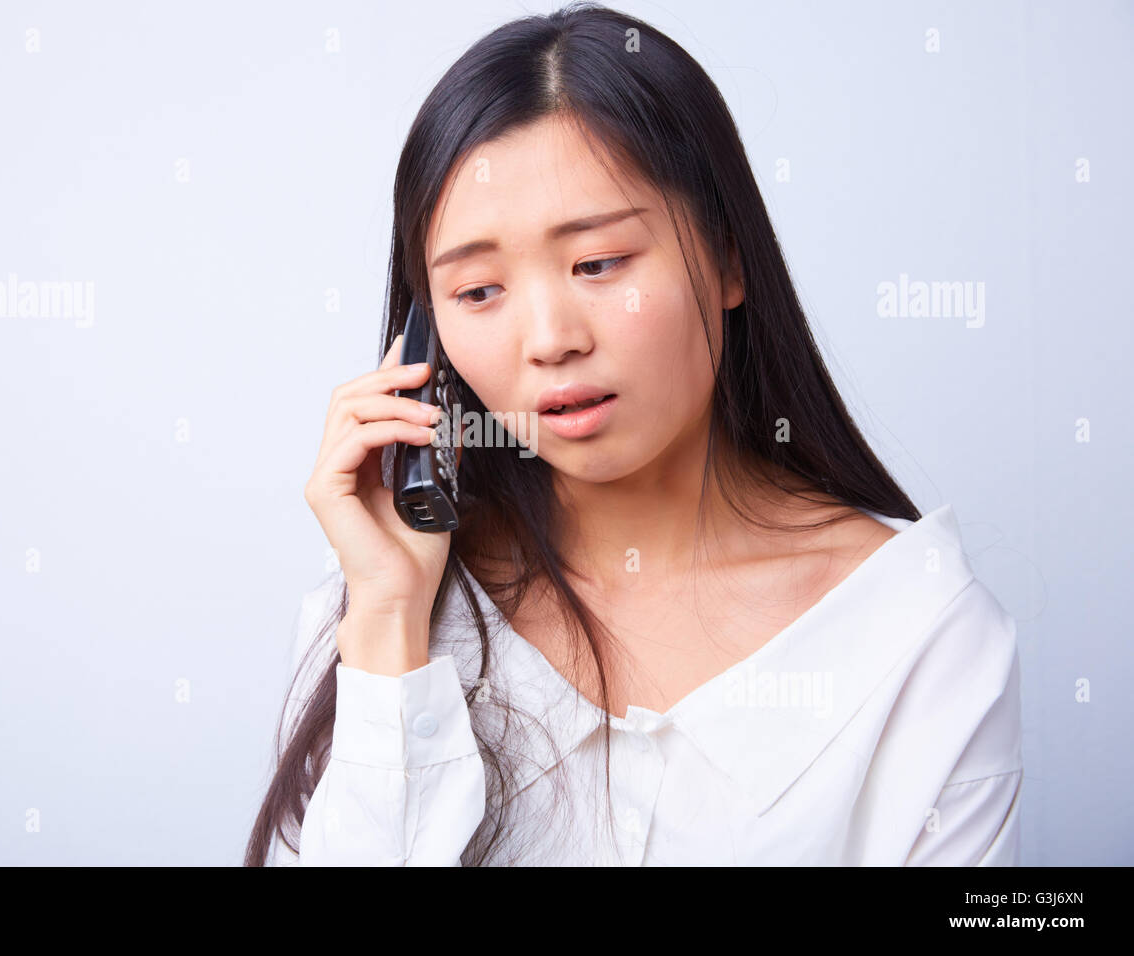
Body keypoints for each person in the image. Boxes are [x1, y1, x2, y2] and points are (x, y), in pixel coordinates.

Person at [245, 1, 1023, 866]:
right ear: (427, 335)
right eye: (478, 292)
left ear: (728, 258)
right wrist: (390, 622)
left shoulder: (919, 629)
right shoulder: (378, 606)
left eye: (598, 263)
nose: (550, 339)